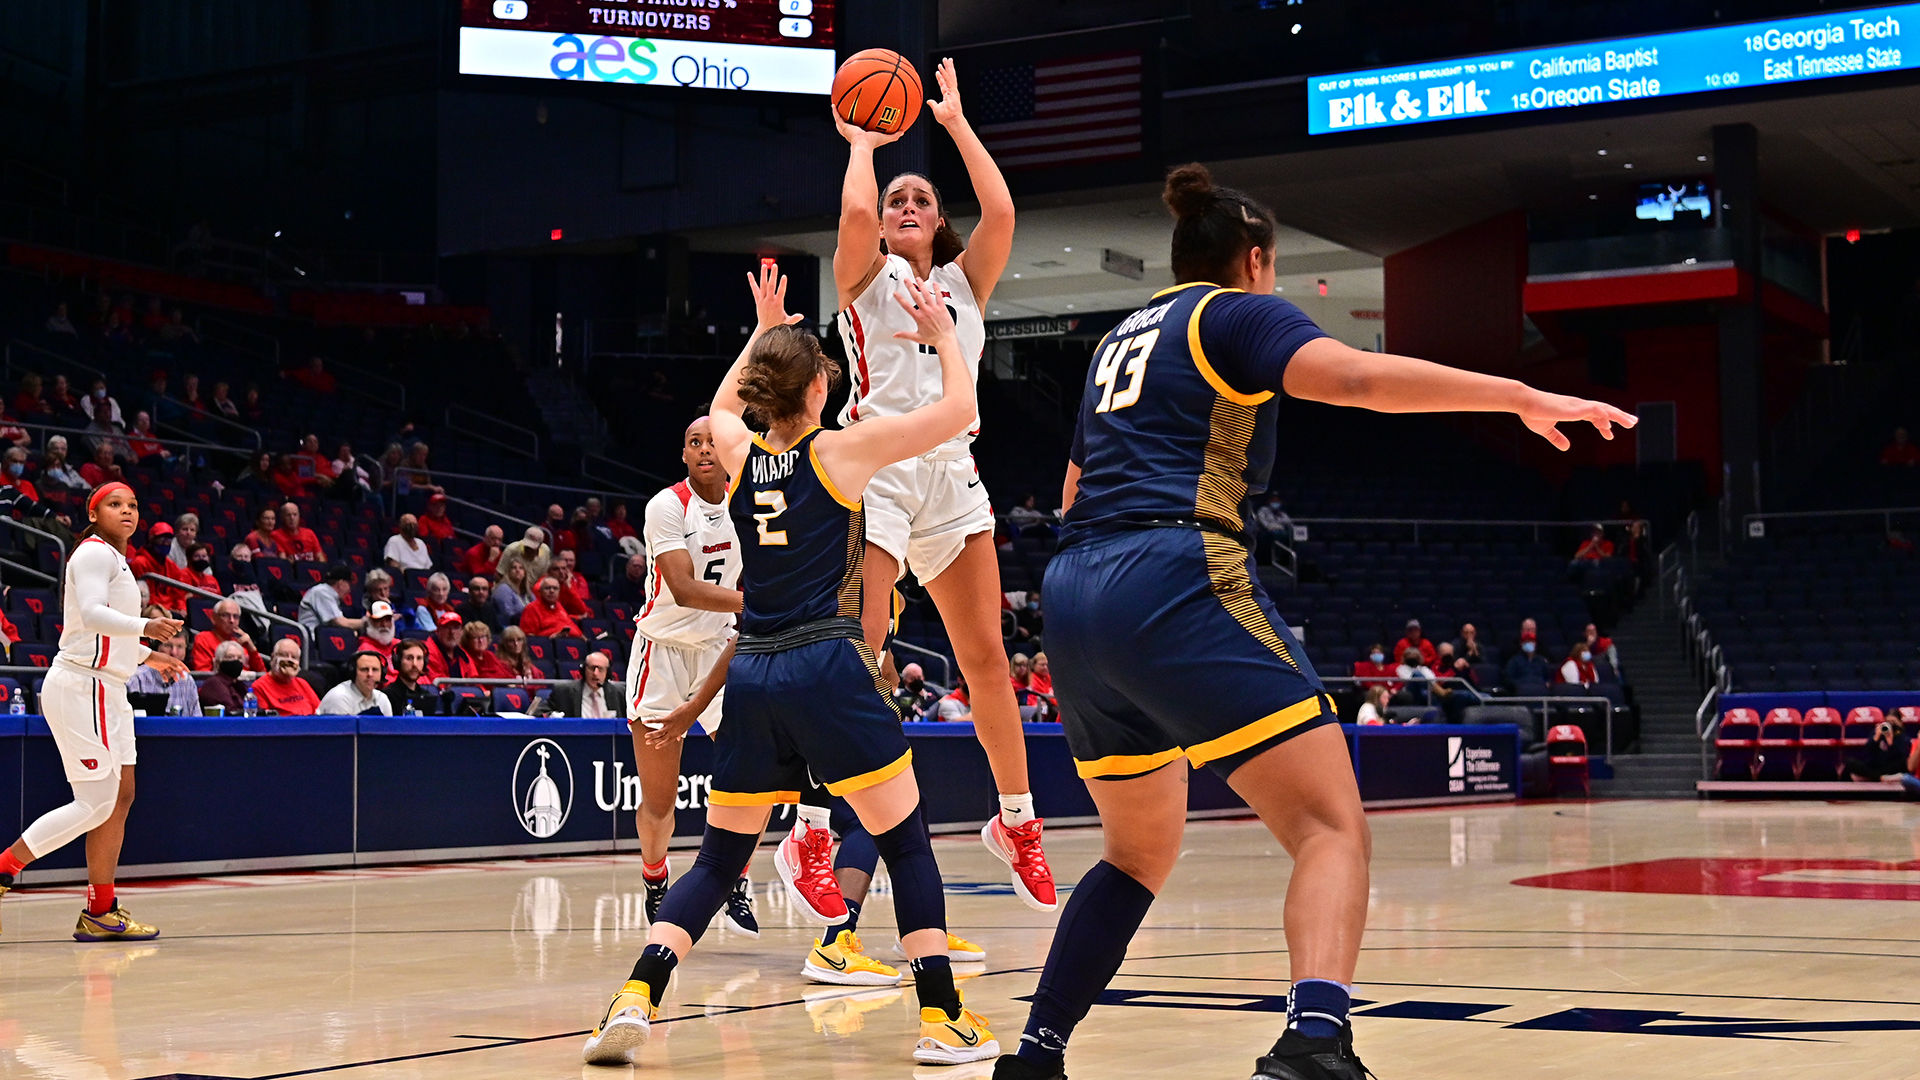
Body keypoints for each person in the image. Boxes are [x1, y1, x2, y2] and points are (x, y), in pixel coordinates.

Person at [992, 163, 1633, 1080]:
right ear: (1254, 260)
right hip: (1174, 568)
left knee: (1134, 851)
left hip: (1071, 589)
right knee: (1332, 826)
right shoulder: (1234, 314)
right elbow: (1360, 380)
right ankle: (1315, 1042)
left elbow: (1073, 487)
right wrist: (1519, 397)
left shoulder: (1113, 342)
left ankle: (1035, 1054)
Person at [584, 262, 995, 1066]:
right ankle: (943, 1017)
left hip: (755, 676)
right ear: (815, 394)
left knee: (716, 859)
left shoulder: (736, 456)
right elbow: (960, 409)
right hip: (827, 664)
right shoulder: (842, 452)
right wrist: (945, 336)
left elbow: (718, 408)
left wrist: (765, 332)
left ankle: (634, 997)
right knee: (905, 842)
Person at [830, 61, 1055, 912]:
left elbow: (1000, 212)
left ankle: (1018, 819)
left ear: (937, 220)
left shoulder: (963, 284)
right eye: (899, 201)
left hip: (952, 475)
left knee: (988, 661)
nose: (908, 207)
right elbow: (855, 210)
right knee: (866, 653)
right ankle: (818, 832)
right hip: (880, 470)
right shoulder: (866, 277)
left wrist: (956, 123)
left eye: (921, 199)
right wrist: (864, 143)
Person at [0, 482, 187, 940]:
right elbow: (91, 613)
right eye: (114, 504)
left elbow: (103, 635)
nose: (126, 511)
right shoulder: (92, 552)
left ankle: (101, 911)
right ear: (94, 512)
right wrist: (148, 627)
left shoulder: (116, 559)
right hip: (84, 685)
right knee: (96, 802)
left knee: (119, 800)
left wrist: (148, 655)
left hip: (110, 687)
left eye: (133, 505)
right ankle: (4, 867)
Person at [622, 416, 751, 925]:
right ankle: (656, 878)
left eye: (712, 442)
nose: (704, 450)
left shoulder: (750, 503)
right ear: (684, 454)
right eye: (694, 442)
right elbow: (682, 587)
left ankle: (733, 876)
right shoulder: (667, 505)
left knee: (750, 776)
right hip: (663, 651)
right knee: (660, 800)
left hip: (722, 647)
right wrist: (756, 601)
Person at [127, 633, 201, 716]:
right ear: (157, 648)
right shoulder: (136, 678)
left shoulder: (187, 680)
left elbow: (196, 719)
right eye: (168, 645)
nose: (174, 652)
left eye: (180, 646)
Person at [538, 649, 624, 718]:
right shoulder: (564, 692)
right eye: (591, 668)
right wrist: (552, 716)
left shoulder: (619, 693)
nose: (595, 673)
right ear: (583, 670)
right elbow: (539, 713)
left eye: (600, 669)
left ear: (607, 673)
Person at [192, 598, 265, 673]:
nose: (231, 620)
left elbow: (262, 674)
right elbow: (203, 674)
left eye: (235, 616)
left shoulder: (243, 642)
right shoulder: (203, 639)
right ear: (214, 618)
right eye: (226, 615)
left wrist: (252, 650)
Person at [251, 638, 320, 716]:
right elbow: (265, 722)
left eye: (294, 657)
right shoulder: (259, 687)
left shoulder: (302, 683)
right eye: (284, 655)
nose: (289, 660)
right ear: (273, 658)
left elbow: (319, 712)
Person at [318, 651, 393, 716]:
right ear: (353, 673)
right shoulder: (339, 698)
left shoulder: (382, 699)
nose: (370, 674)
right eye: (364, 669)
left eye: (375, 670)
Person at [299, 563, 365, 634]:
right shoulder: (322, 591)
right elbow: (339, 622)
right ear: (341, 583)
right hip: (311, 639)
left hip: (323, 637)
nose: (350, 590)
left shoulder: (330, 595)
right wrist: (368, 622)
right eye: (349, 584)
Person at [382, 639, 441, 716]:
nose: (415, 664)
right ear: (398, 661)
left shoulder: (426, 696)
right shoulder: (387, 696)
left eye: (419, 658)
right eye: (409, 658)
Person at [519, 576, 585, 638]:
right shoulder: (531, 609)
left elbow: (575, 630)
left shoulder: (559, 607)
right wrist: (549, 639)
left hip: (572, 643)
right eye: (547, 588)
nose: (552, 591)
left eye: (555, 588)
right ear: (540, 592)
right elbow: (529, 637)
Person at [198, 640, 252, 714]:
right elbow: (231, 711)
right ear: (219, 661)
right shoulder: (214, 684)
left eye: (239, 658)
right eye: (230, 657)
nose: (236, 661)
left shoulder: (240, 685)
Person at [423, 611, 465, 682]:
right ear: (438, 631)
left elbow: (474, 680)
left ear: (461, 632)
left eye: (456, 628)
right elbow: (441, 685)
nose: (452, 632)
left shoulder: (463, 654)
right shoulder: (428, 652)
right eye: (447, 628)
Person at [356, 600, 399, 665]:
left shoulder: (399, 645)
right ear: (369, 622)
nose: (384, 625)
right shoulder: (366, 650)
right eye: (379, 620)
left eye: (387, 620)